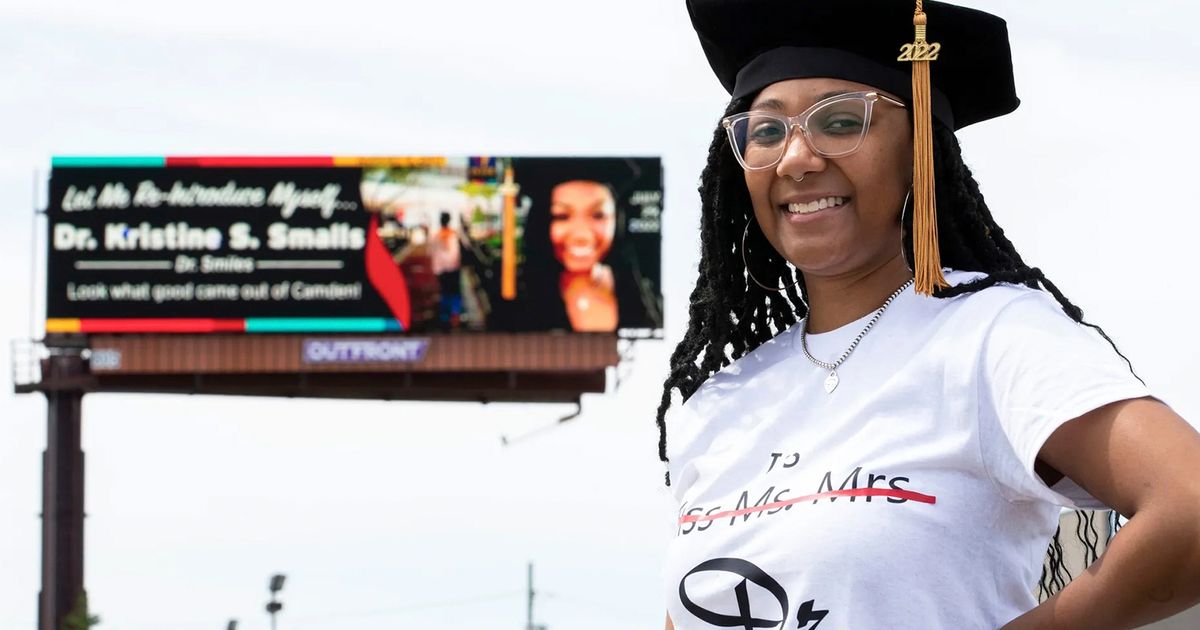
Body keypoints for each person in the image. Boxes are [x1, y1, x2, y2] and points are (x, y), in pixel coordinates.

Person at [659, 1, 1200, 629]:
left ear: (920, 153)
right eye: (767, 131)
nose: (796, 158)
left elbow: (1188, 504)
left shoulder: (989, 336)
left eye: (839, 122)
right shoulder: (722, 404)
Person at [549, 179, 618, 332]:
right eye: (562, 216)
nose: (582, 235)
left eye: (598, 215)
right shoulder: (517, 297)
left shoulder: (641, 290)